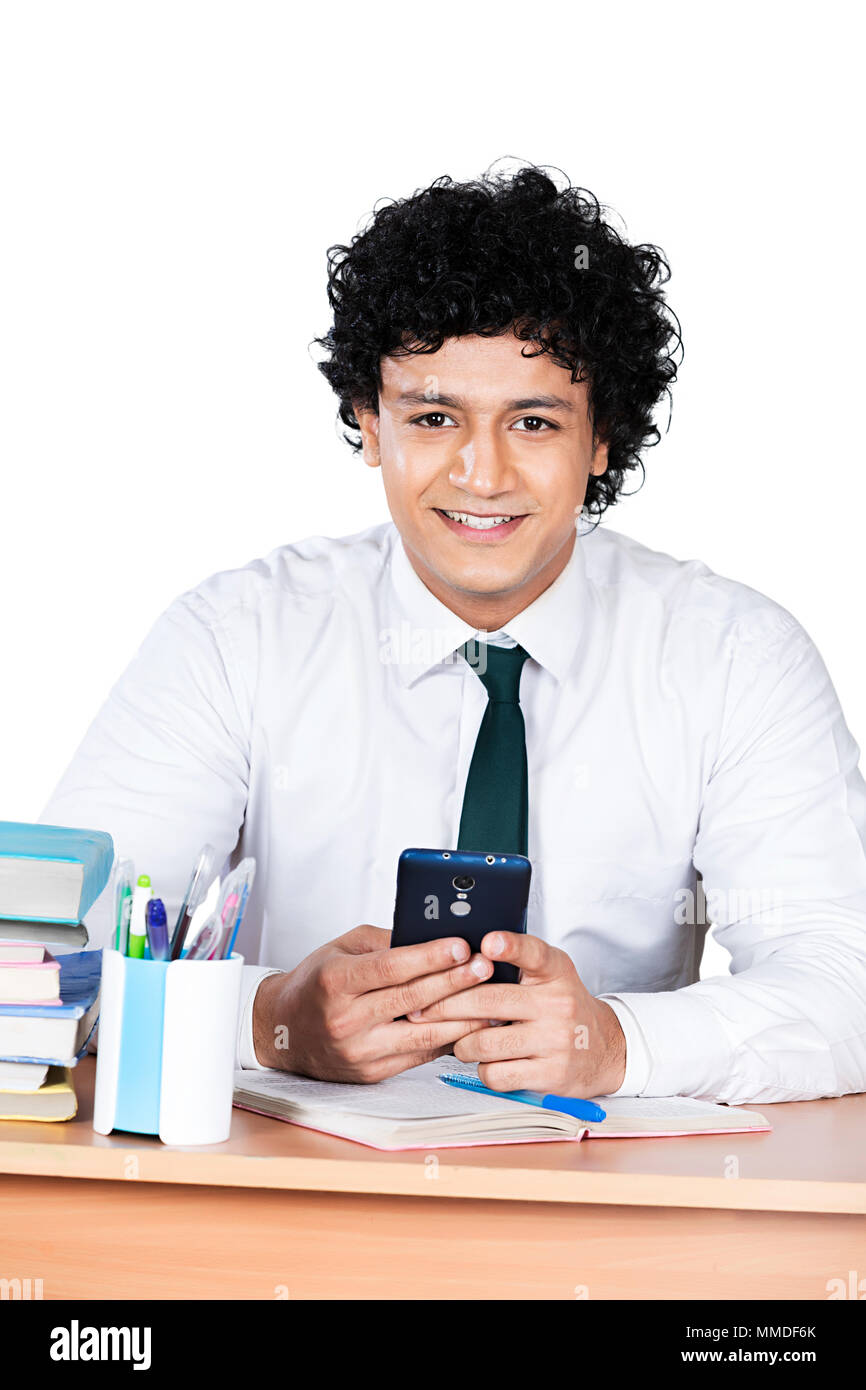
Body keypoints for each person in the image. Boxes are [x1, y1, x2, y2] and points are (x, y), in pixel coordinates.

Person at [41, 165, 866, 1103]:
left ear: (603, 440)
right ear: (370, 424)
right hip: (291, 1196)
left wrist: (618, 1044)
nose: (482, 473)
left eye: (535, 421)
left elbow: (846, 982)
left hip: (609, 1209)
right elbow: (41, 957)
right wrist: (268, 1019)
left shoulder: (735, 659)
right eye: (434, 417)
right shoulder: (234, 638)